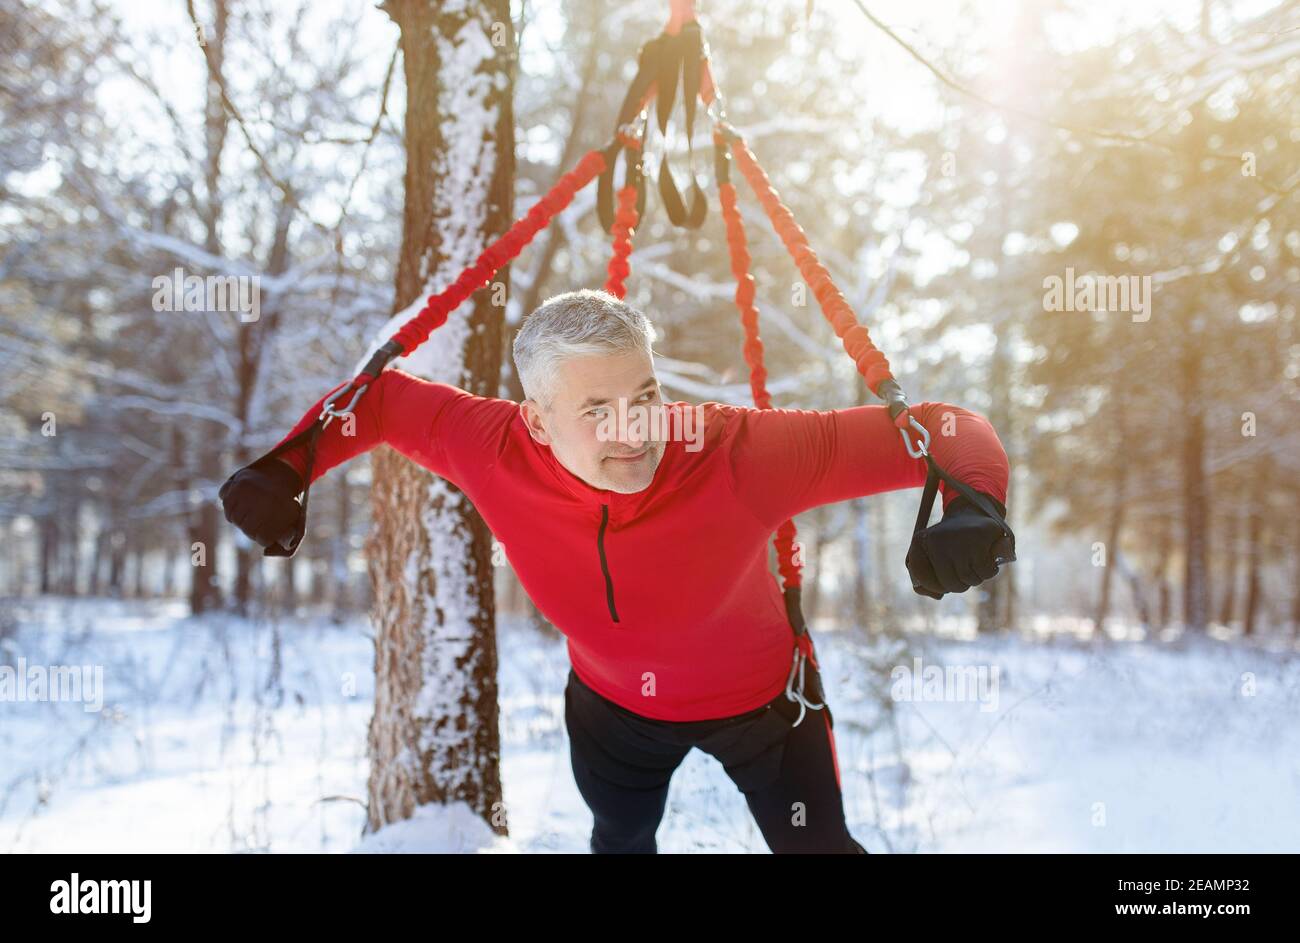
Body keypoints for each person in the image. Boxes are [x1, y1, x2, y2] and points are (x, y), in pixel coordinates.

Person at [220, 288, 1010, 854]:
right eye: (596, 410)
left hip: (768, 709)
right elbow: (383, 399)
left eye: (645, 395)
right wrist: (289, 466)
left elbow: (947, 426)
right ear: (536, 419)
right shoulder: (494, 448)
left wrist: (976, 503)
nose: (633, 429)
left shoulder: (737, 451)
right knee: (621, 840)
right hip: (613, 716)